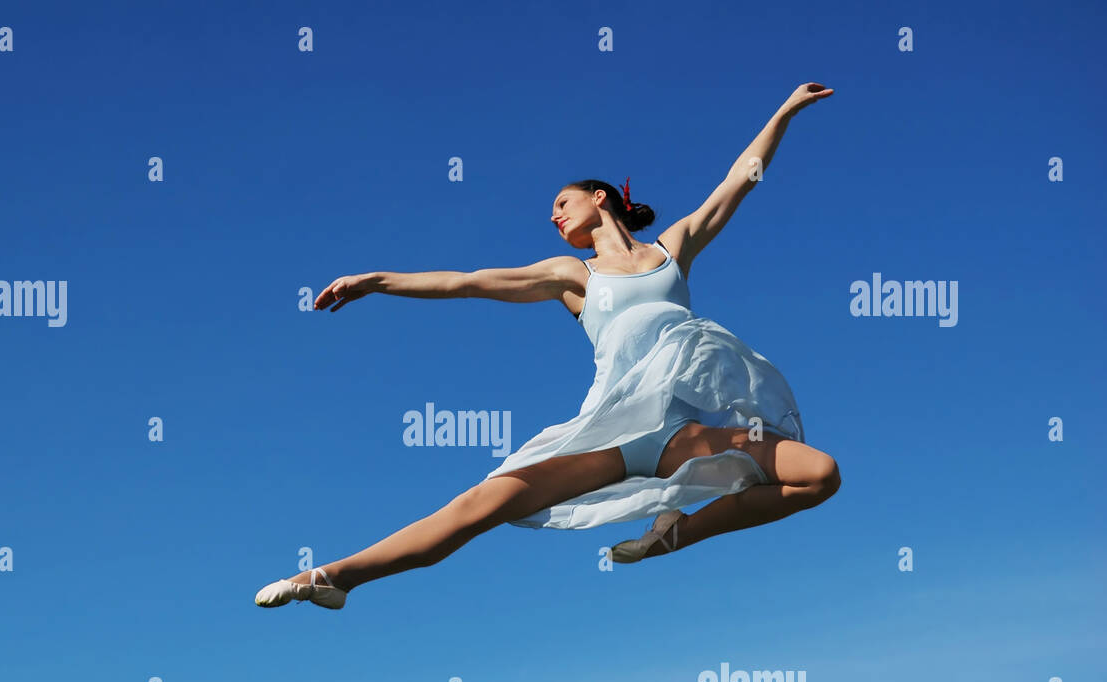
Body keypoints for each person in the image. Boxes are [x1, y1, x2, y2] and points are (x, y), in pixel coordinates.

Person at [256, 84, 841, 610]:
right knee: (476, 509)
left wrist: (784, 111)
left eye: (563, 203)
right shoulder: (574, 275)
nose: (553, 215)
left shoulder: (671, 249)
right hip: (607, 434)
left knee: (819, 474)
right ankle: (332, 577)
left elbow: (739, 179)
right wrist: (378, 280)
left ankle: (677, 533)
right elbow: (469, 281)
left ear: (600, 198)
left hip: (682, 436)